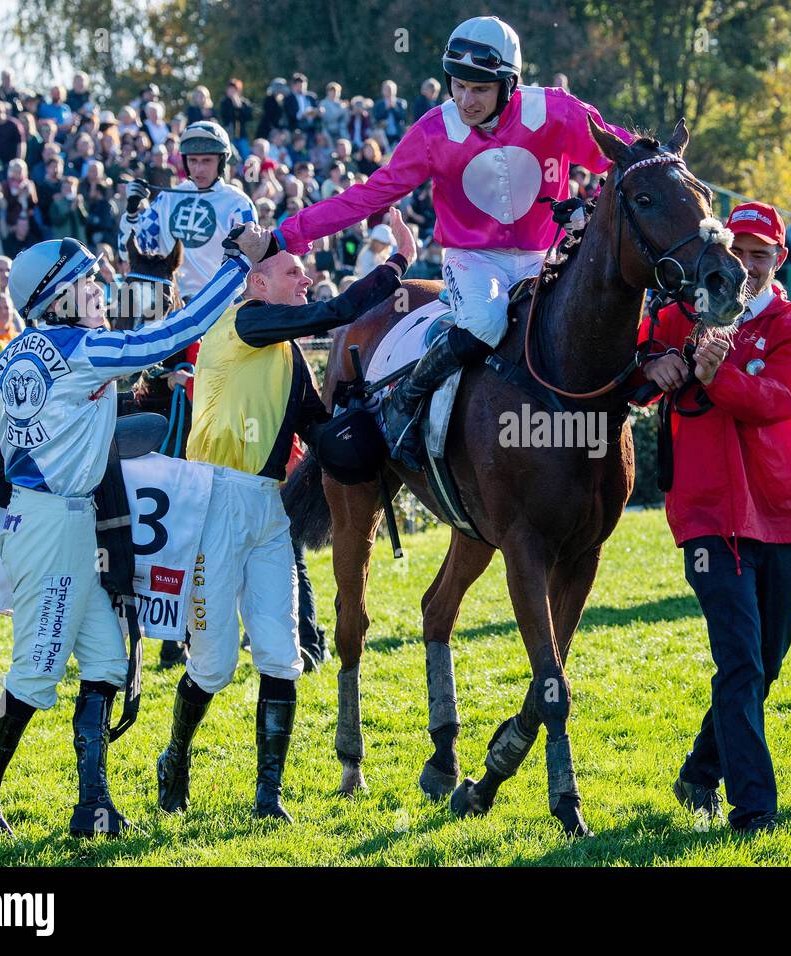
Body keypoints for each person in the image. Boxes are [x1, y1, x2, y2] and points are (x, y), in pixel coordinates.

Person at [0, 223, 272, 838]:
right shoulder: (79, 349)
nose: (101, 289)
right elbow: (175, 333)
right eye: (90, 282)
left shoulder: (12, 356)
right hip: (54, 526)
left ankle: (92, 804)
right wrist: (237, 265)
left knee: (104, 662)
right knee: (34, 674)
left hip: (47, 520)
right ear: (61, 296)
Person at [272, 15, 635, 471]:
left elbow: (626, 159)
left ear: (509, 84)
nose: (465, 99)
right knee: (485, 319)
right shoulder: (433, 131)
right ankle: (407, 399)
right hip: (472, 258)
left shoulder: (557, 112)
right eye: (458, 86)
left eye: (479, 89)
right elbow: (366, 197)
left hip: (542, 258)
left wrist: (618, 191)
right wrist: (287, 234)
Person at [156, 208, 416, 822]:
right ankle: (175, 757)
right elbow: (332, 311)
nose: (306, 279)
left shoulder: (287, 351)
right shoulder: (243, 322)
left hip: (268, 510)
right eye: (294, 270)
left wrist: (377, 424)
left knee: (281, 654)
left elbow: (319, 432)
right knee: (213, 665)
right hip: (213, 504)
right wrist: (397, 261)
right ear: (256, 283)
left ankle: (267, 795)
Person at [639, 202, 791, 834]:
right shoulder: (673, 316)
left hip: (779, 510)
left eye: (760, 255)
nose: (746, 266)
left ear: (781, 260)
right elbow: (625, 366)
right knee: (742, 660)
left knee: (767, 662)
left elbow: (779, 401)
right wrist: (648, 365)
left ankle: (699, 769)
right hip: (704, 512)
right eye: (737, 252)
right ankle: (754, 811)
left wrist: (716, 379)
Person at [122, 120, 256, 299]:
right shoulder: (167, 198)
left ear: (222, 161)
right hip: (170, 305)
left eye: (206, 161)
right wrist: (131, 213)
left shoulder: (238, 204)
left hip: (218, 308)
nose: (198, 168)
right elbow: (129, 253)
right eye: (193, 160)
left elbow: (247, 265)